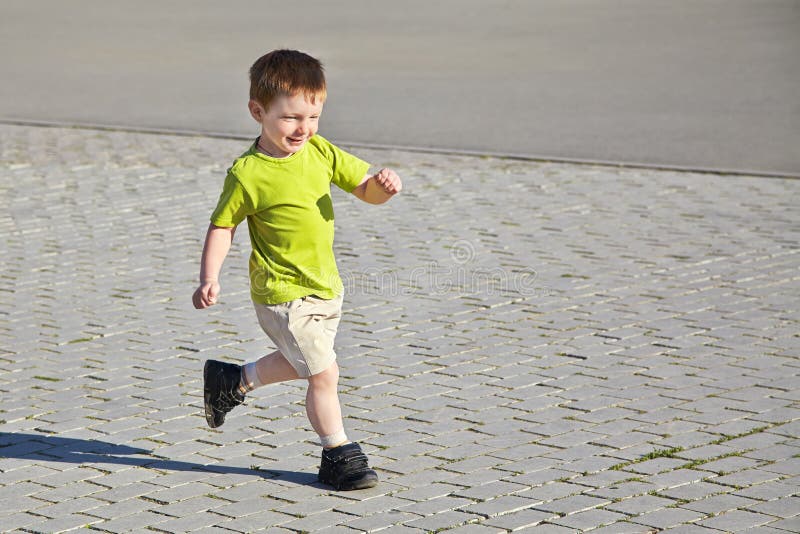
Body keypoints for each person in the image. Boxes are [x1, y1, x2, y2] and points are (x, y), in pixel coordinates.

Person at [192, 49, 402, 491]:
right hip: (281, 293)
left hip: (326, 286)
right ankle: (339, 455)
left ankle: (233, 380)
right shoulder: (248, 174)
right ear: (258, 112)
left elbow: (363, 189)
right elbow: (223, 225)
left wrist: (382, 189)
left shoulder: (320, 150)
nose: (303, 128)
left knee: (305, 361)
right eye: (290, 118)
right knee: (324, 373)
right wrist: (208, 277)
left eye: (313, 116)